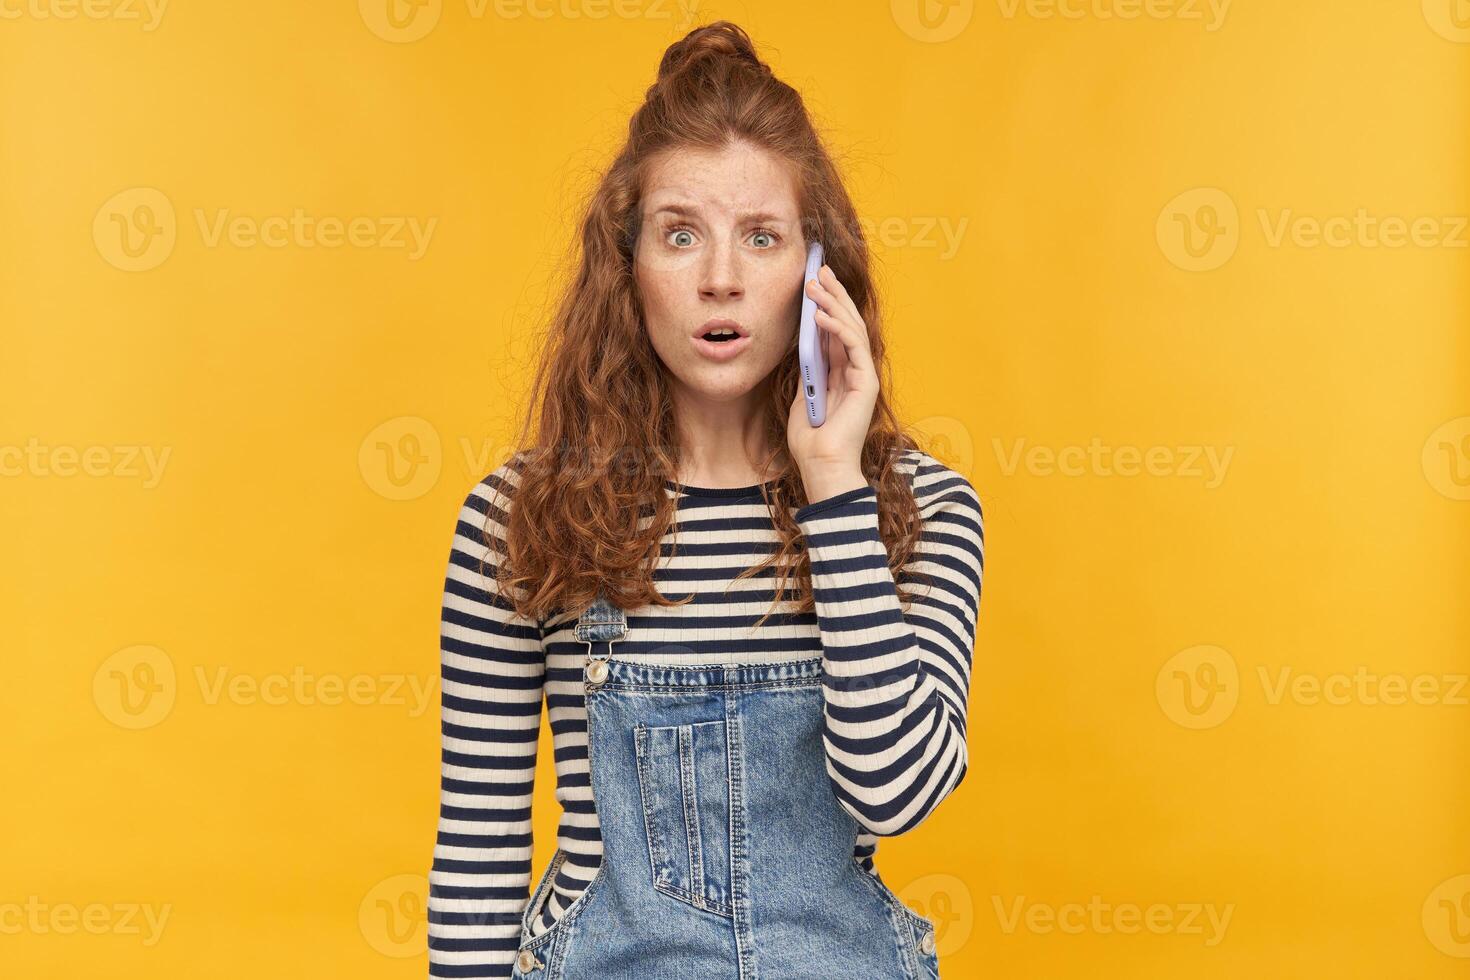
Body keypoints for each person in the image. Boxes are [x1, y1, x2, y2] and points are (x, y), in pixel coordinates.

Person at [427, 20, 984, 980]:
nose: (720, 278)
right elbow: (479, 845)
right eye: (680, 234)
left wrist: (834, 486)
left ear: (820, 275)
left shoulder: (919, 508)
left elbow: (896, 794)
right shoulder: (516, 519)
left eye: (762, 238)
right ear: (625, 266)